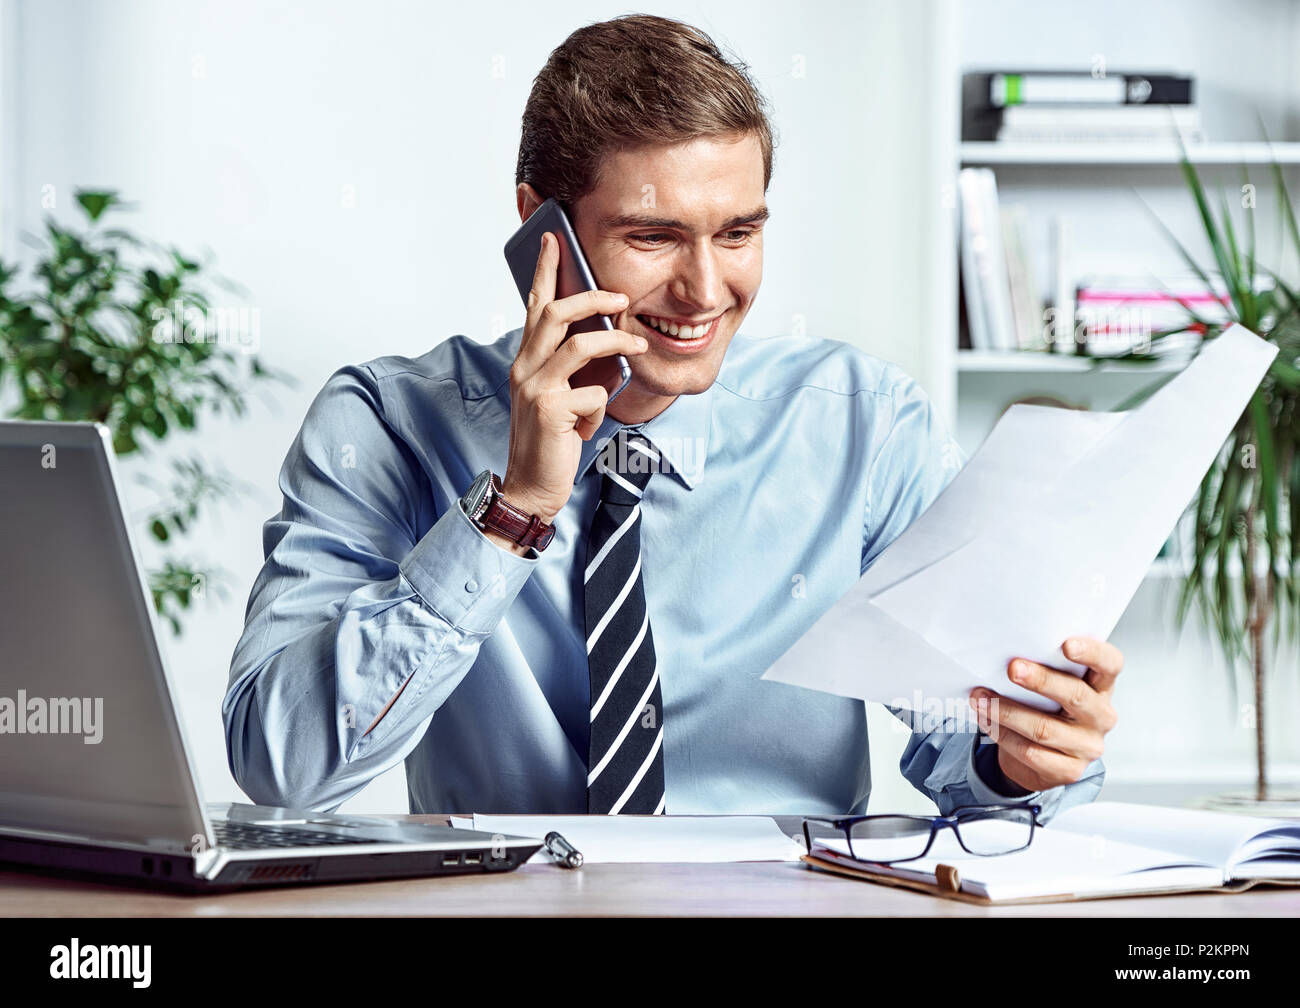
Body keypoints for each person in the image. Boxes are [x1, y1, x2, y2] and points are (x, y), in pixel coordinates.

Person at [223, 14, 1120, 817]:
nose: (704, 292)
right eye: (653, 237)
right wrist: (511, 510)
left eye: (737, 233)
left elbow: (962, 736)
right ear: (542, 230)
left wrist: (1018, 759)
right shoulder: (386, 422)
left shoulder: (865, 430)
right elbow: (284, 766)